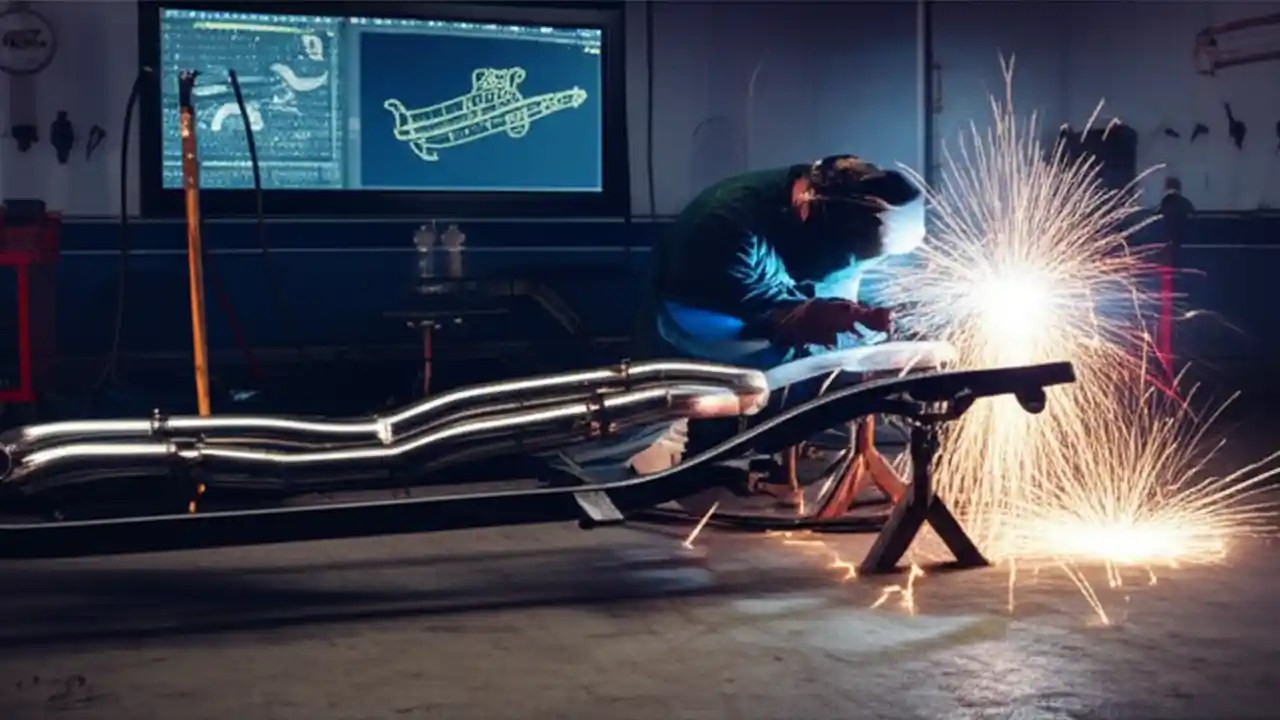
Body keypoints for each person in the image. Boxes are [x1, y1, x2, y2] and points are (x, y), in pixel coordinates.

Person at [648, 154, 926, 371]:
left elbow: (839, 290)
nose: (856, 264)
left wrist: (869, 316)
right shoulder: (728, 229)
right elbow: (779, 315)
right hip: (703, 326)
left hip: (769, 303)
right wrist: (814, 316)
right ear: (809, 213)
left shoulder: (851, 221)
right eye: (854, 256)